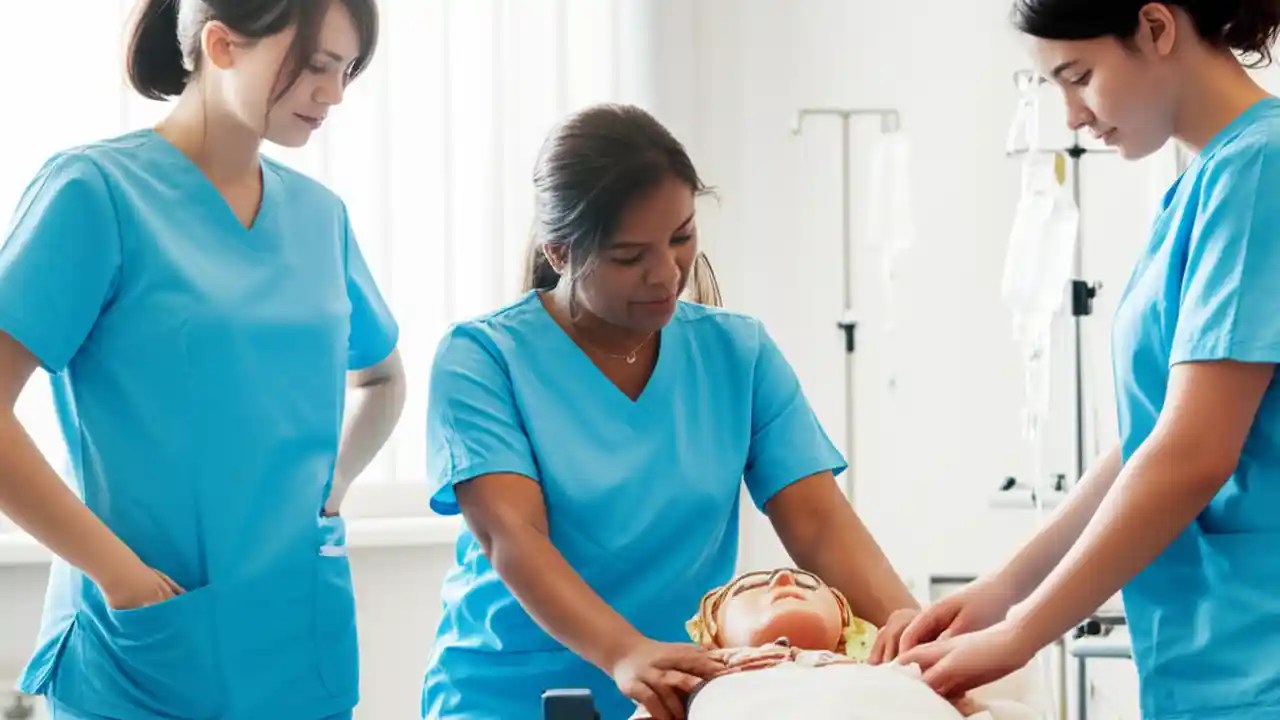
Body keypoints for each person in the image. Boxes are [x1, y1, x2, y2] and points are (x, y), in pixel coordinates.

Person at [421, 103, 921, 720]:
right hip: (508, 693)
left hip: (676, 696)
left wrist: (919, 639)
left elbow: (819, 524)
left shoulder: (737, 353)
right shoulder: (482, 359)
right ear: (560, 252)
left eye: (681, 237)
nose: (667, 274)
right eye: (631, 257)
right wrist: (623, 651)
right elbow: (511, 536)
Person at [0, 1, 402, 718]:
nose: (334, 94)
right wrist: (119, 575)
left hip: (295, 634)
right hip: (150, 641)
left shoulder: (321, 217)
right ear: (220, 44)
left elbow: (382, 377)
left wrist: (332, 481)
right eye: (316, 66)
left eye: (346, 71)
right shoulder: (97, 193)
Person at [896, 2, 1280, 718]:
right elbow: (1149, 441)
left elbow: (1192, 454)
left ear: (1156, 28)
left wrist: (1024, 632)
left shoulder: (1261, 170)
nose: (1072, 116)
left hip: (1258, 656)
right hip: (1211, 659)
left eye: (1080, 77)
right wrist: (1003, 590)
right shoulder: (1206, 185)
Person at [628, 568, 1036, 720]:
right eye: (753, 586)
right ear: (711, 635)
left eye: (808, 583)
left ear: (846, 628)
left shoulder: (896, 668)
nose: (784, 581)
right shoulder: (691, 684)